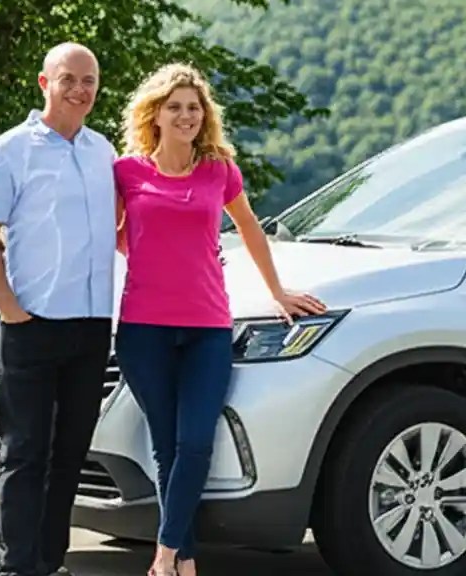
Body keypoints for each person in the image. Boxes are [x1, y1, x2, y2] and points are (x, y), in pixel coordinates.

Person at [113, 63, 326, 576]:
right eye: (175, 107)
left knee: (194, 443)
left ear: (203, 115)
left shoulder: (219, 171)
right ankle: (184, 561)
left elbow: (250, 229)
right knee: (166, 446)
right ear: (155, 114)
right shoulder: (127, 173)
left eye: (194, 107)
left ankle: (165, 556)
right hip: (143, 330)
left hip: (209, 326)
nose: (186, 115)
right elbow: (105, 234)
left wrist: (277, 291)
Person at [0, 42, 118, 576]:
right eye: (69, 79)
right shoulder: (9, 151)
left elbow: (119, 233)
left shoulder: (104, 152)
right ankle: (15, 568)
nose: (81, 90)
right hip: (30, 325)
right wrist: (9, 310)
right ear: (44, 83)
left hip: (93, 326)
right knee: (25, 454)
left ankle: (50, 563)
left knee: (69, 454)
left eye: (90, 81)